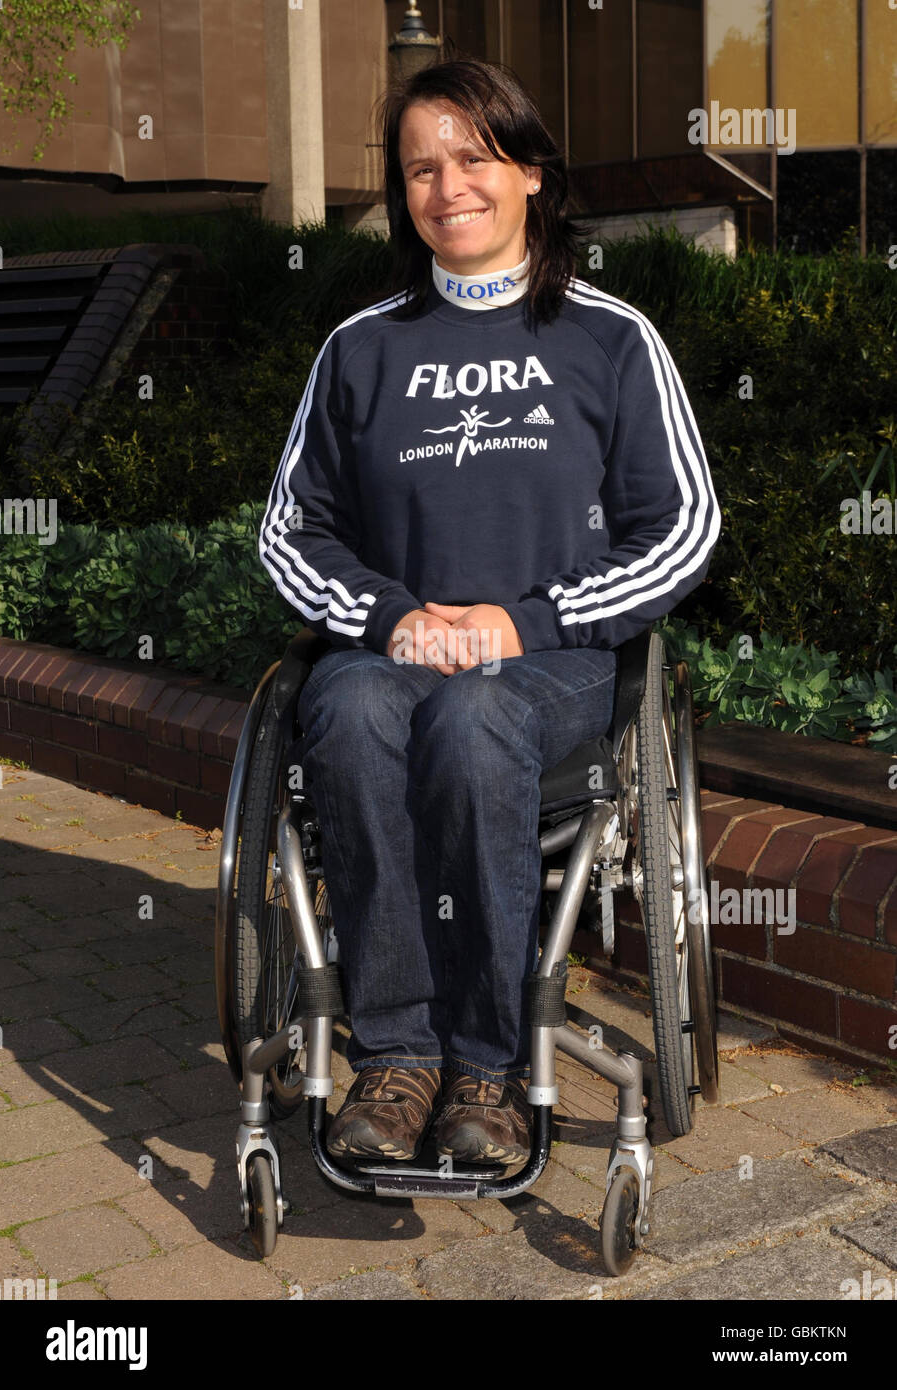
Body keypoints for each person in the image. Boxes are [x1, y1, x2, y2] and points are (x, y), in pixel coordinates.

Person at [258, 57, 720, 1167]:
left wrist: (526, 622)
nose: (447, 186)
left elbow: (681, 528)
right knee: (350, 712)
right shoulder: (361, 348)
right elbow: (291, 532)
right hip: (394, 652)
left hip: (551, 662)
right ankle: (397, 1055)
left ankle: (489, 1066)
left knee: (474, 720)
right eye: (421, 167)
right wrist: (390, 616)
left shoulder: (610, 337)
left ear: (529, 173)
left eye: (473, 157)